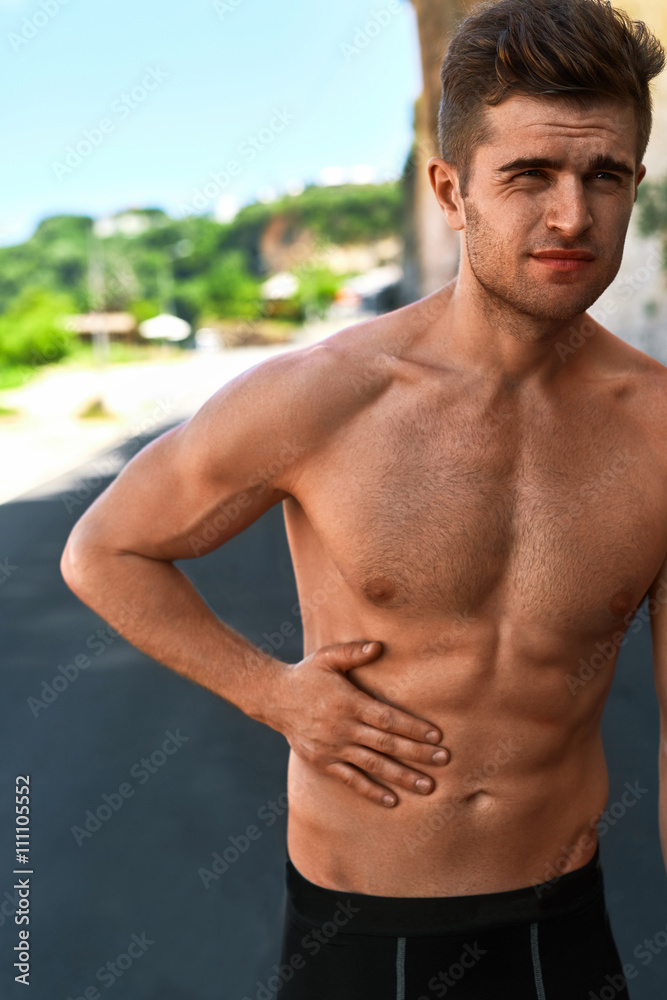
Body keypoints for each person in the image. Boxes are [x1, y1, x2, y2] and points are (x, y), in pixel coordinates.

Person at [61, 0, 667, 995]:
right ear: (451, 189)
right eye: (527, 176)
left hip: (561, 931)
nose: (570, 216)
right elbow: (105, 549)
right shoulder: (320, 397)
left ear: (633, 183)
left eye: (603, 176)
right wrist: (274, 694)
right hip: (360, 935)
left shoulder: (654, 429)